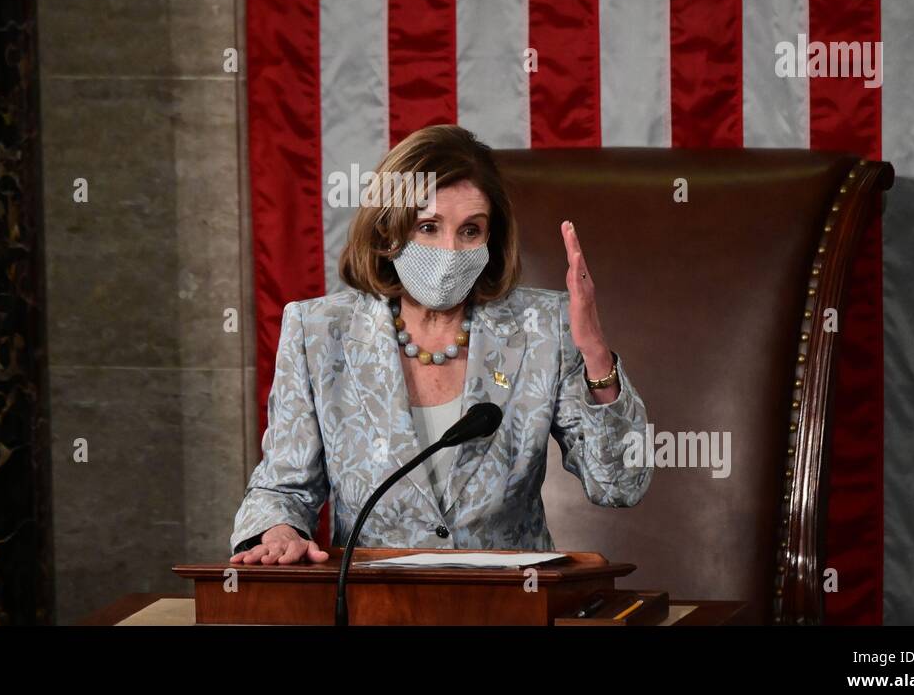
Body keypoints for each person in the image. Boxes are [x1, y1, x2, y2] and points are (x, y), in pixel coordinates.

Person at [230, 124, 651, 565]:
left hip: (512, 598)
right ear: (388, 232)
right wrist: (279, 531)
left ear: (491, 238)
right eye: (428, 227)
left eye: (470, 230)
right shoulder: (319, 331)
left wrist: (595, 353)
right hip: (372, 597)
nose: (450, 251)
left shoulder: (544, 326)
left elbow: (620, 485)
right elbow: (282, 488)